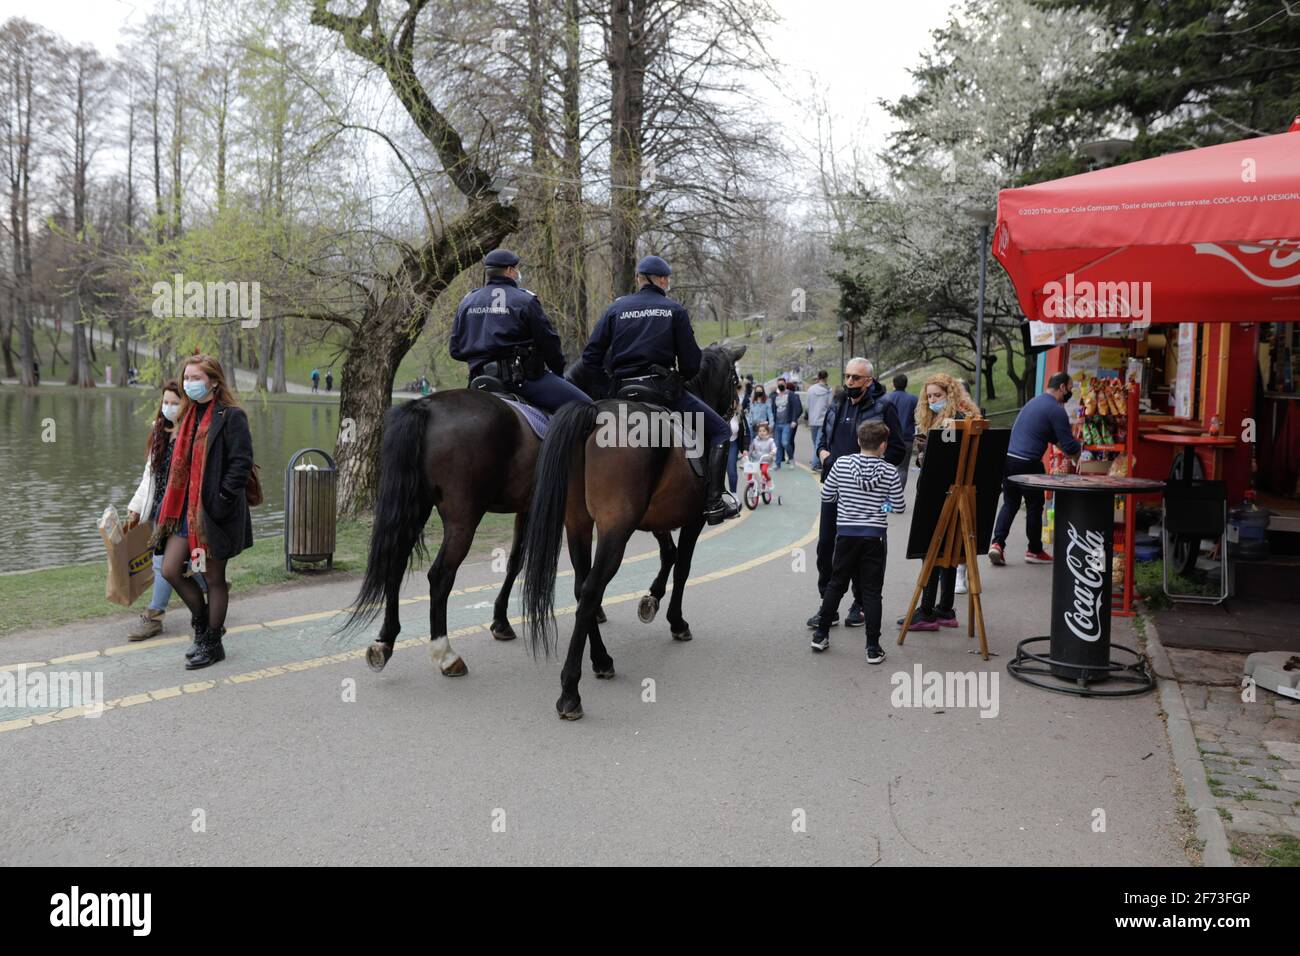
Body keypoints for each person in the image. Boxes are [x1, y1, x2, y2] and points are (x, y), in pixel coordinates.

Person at [582, 254, 738, 523]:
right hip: (661, 392)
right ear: (663, 280)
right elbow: (691, 364)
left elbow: (590, 358)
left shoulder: (615, 309)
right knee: (722, 431)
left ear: (638, 280)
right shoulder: (674, 310)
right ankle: (714, 502)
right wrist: (679, 379)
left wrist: (608, 387)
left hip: (621, 393)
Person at [154, 354, 255, 670]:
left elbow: (241, 463)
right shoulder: (186, 415)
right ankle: (202, 625)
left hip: (214, 514)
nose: (189, 384)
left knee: (213, 578)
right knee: (171, 569)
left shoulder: (231, 416)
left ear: (213, 380)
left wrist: (221, 498)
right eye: (186, 378)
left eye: (195, 378)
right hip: (184, 513)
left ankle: (213, 643)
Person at [809, 358, 906, 629]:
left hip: (866, 496)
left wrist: (873, 474)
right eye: (847, 376)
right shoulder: (837, 403)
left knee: (862, 551)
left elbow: (897, 449)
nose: (849, 382)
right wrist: (822, 453)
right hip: (835, 486)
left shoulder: (883, 407)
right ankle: (827, 607)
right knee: (826, 548)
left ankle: (860, 604)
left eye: (856, 378)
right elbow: (823, 438)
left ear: (868, 381)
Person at [810, 420, 905, 663]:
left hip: (846, 535)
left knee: (836, 583)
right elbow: (899, 506)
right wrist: (879, 506)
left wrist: (848, 503)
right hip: (874, 537)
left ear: (859, 441)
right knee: (872, 592)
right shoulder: (889, 471)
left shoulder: (842, 463)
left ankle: (821, 635)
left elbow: (828, 495)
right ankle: (872, 647)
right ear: (883, 446)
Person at [451, 248, 590, 413]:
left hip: (479, 381)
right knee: (587, 408)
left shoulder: (467, 301)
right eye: (516, 268)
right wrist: (557, 372)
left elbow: (455, 350)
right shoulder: (525, 300)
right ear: (510, 271)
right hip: (520, 381)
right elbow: (549, 343)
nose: (518, 272)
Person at [124, 382, 207, 641]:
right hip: (160, 511)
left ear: (186, 405)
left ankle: (155, 615)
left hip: (184, 512)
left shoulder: (193, 435)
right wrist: (136, 508)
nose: (169, 407)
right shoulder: (159, 432)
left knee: (171, 564)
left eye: (175, 402)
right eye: (165, 402)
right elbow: (149, 477)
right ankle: (209, 586)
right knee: (175, 564)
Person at [900, 373, 981, 631]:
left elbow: (945, 463)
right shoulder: (959, 417)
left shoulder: (952, 421)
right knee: (949, 550)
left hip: (942, 494)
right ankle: (945, 609)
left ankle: (926, 611)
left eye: (937, 395)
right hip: (952, 492)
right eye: (929, 396)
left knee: (933, 551)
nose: (932, 400)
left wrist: (926, 453)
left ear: (951, 395)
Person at [989, 371, 1082, 566]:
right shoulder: (1056, 409)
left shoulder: (1034, 402)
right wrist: (1081, 452)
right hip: (1028, 463)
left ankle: (997, 544)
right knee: (1034, 506)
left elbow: (1048, 435)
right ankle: (1034, 550)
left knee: (1010, 503)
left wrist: (1063, 447)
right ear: (1062, 387)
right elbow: (1069, 444)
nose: (1070, 392)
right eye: (1070, 388)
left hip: (1008, 459)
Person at [880, 372, 919, 489]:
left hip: (887, 439)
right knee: (902, 469)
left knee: (884, 468)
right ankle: (897, 494)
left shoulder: (886, 398)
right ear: (906, 384)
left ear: (893, 383)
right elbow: (917, 418)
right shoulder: (913, 399)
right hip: (907, 438)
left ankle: (884, 494)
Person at [771, 377, 802, 469]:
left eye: (782, 383)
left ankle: (791, 458)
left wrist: (794, 420)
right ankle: (777, 463)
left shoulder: (791, 394)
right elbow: (771, 409)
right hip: (777, 423)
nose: (780, 385)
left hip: (787, 423)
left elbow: (795, 408)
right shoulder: (774, 396)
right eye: (779, 384)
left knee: (785, 442)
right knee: (777, 444)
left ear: (785, 384)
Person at [728, 379, 751, 494]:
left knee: (731, 470)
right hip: (719, 444)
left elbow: (747, 433)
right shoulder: (719, 413)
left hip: (733, 444)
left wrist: (745, 449)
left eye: (735, 401)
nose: (733, 403)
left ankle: (734, 495)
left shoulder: (740, 415)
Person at [805, 370, 831, 469]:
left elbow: (807, 405)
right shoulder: (828, 390)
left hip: (812, 419)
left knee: (815, 441)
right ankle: (816, 463)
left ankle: (816, 460)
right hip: (823, 419)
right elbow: (830, 405)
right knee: (819, 442)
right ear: (826, 378)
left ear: (818, 377)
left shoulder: (811, 389)